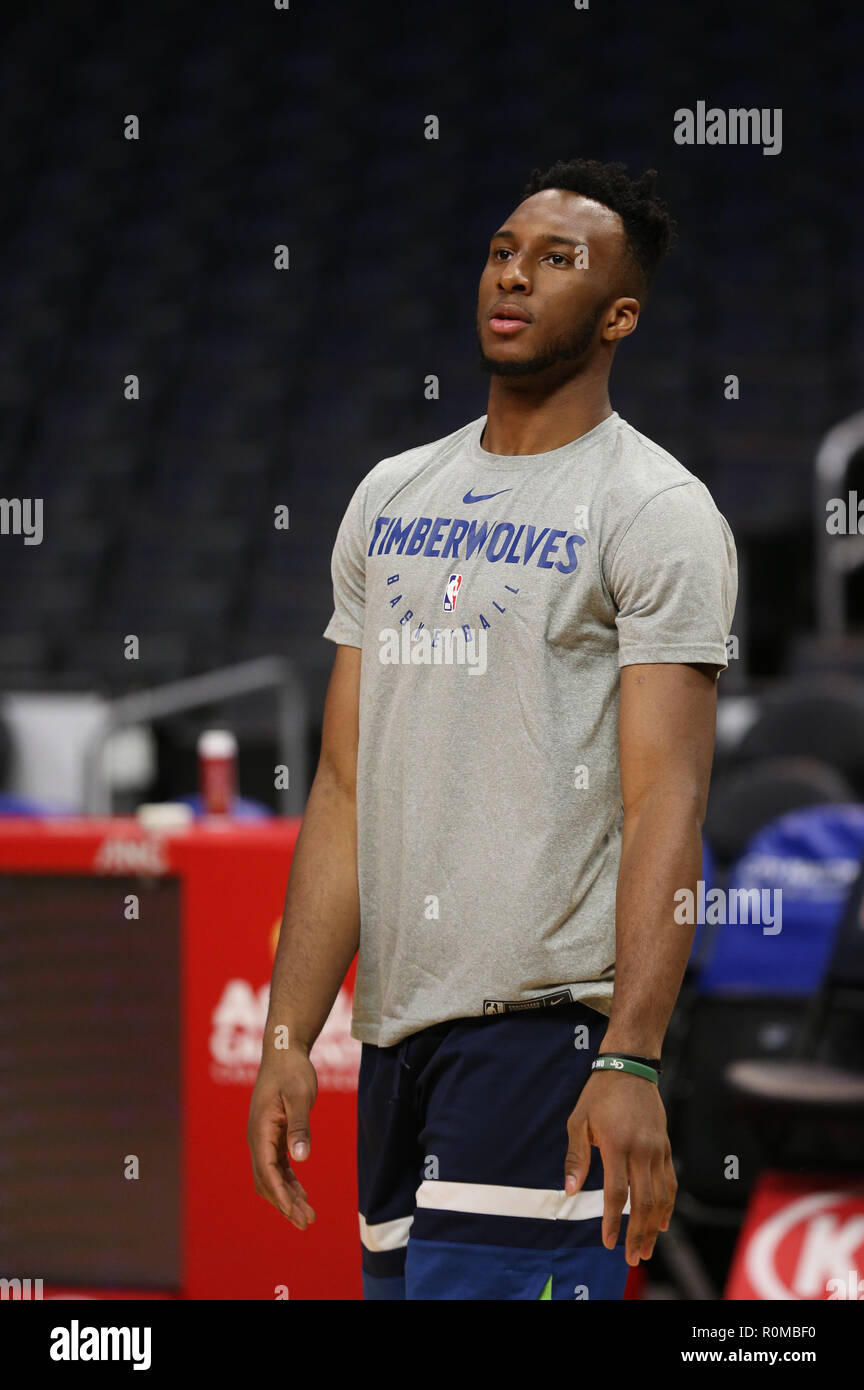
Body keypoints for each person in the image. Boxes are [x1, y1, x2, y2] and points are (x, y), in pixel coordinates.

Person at [248, 157, 738, 1300]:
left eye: (557, 260)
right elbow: (341, 789)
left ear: (619, 314)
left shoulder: (653, 511)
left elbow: (669, 803)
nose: (513, 276)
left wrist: (627, 1051)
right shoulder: (389, 495)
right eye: (502, 251)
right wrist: (287, 1040)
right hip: (395, 1038)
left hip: (542, 1042)